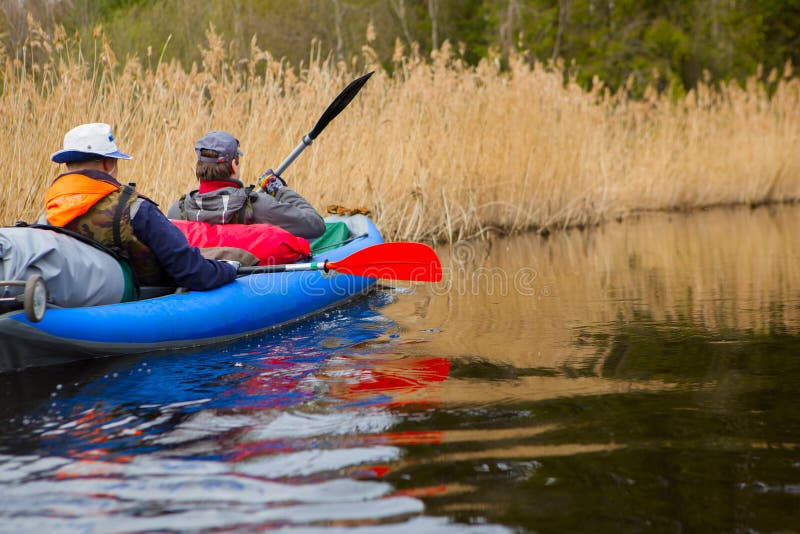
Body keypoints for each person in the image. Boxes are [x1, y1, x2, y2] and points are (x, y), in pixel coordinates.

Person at [43, 122, 238, 291]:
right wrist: (228, 270)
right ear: (106, 163)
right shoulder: (136, 210)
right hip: (139, 303)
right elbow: (191, 271)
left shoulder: (51, 211)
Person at [166, 131, 326, 240]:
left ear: (199, 168)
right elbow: (316, 225)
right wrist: (279, 189)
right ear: (234, 166)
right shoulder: (260, 207)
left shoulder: (178, 211)